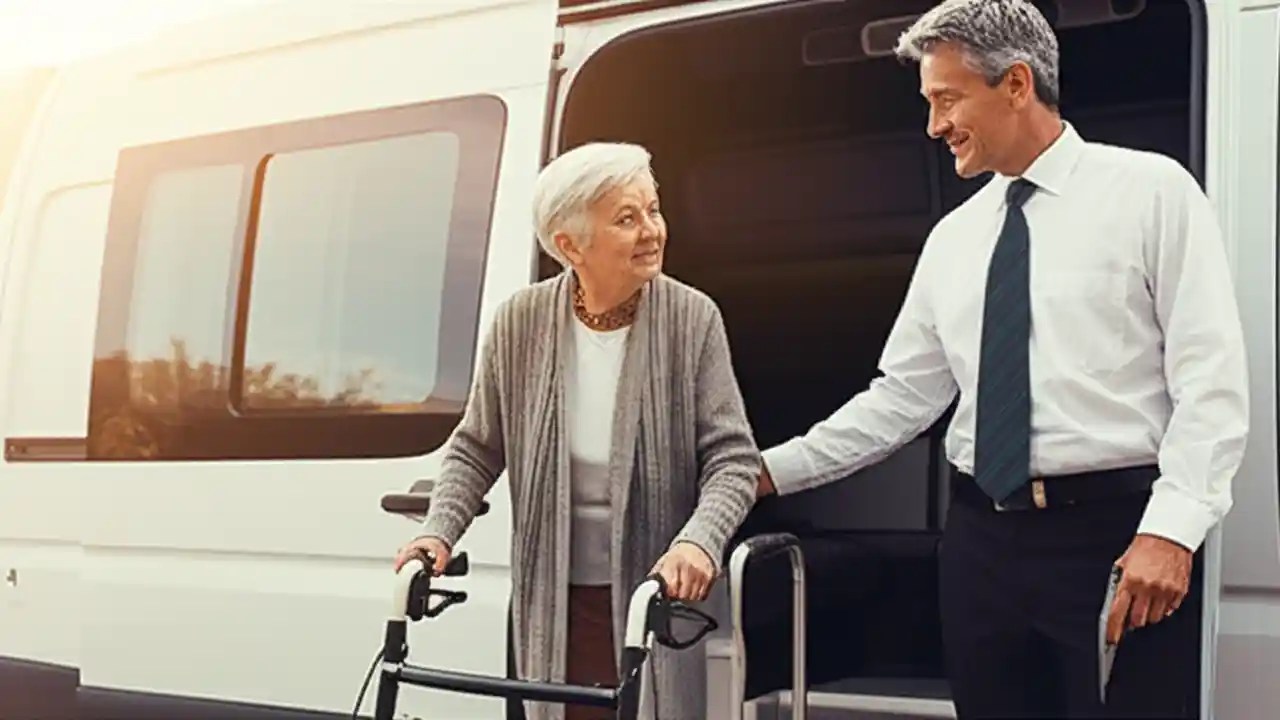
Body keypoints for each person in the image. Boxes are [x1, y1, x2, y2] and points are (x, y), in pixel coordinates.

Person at [754, 1, 1249, 717]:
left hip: (1113, 541)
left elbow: (1211, 380)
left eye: (946, 98)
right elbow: (900, 400)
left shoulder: (1152, 193)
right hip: (981, 548)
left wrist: (1170, 531)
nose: (933, 125)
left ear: (1016, 84)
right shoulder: (953, 239)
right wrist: (770, 470)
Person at [392, 141, 760, 720]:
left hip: (651, 602)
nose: (652, 231)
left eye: (653, 210)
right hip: (554, 603)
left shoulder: (692, 320)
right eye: (626, 218)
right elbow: (476, 448)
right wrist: (439, 532)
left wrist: (698, 540)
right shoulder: (521, 322)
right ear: (570, 245)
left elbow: (733, 460)